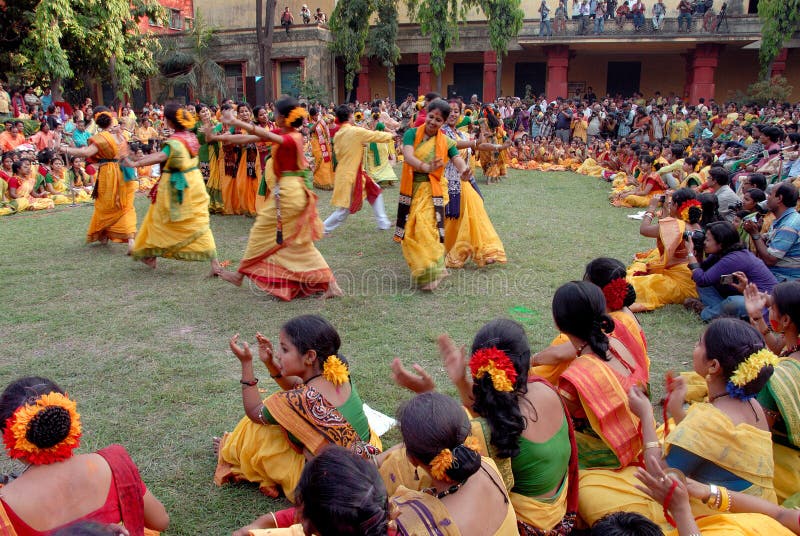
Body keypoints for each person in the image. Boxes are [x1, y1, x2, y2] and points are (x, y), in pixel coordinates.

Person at [389, 318, 580, 534]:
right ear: (527, 362)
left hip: (528, 526)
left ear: (478, 372)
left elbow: (438, 435)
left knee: (426, 460)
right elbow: (492, 408)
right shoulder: (546, 389)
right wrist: (460, 381)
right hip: (561, 513)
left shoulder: (487, 431)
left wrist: (429, 394)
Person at [585, 318, 779, 527]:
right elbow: (706, 445)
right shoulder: (752, 404)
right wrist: (677, 409)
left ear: (713, 365)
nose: (694, 348)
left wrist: (646, 417)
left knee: (588, 487)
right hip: (759, 507)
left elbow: (660, 478)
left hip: (719, 517)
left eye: (698, 343)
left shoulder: (708, 419)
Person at [214, 315, 382, 501]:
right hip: (366, 457)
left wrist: (246, 363)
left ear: (310, 356)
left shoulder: (296, 401)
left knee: (257, 428)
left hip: (331, 484)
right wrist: (270, 362)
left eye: (284, 349)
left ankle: (232, 450)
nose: (278, 354)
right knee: (280, 409)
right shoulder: (337, 370)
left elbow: (255, 412)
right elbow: (299, 387)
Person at [208, 97, 342, 300]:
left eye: (277, 114)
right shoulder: (285, 133)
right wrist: (217, 138)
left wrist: (236, 122)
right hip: (290, 193)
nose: (273, 117)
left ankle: (239, 275)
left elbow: (259, 133)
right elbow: (249, 139)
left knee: (262, 232)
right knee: (295, 242)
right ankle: (330, 285)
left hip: (290, 194)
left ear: (285, 117)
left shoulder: (292, 138)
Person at [0, 376, 169, 534]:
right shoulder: (112, 464)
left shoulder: (5, 505)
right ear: (69, 419)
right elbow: (160, 521)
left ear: (9, 438)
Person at [122, 103, 220, 273]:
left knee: (158, 220)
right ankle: (214, 264)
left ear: (169, 121)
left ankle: (148, 254)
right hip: (194, 182)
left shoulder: (175, 141)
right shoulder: (190, 136)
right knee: (198, 221)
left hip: (176, 185)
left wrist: (134, 162)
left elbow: (161, 156)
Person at [395, 99, 472, 291]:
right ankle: (435, 268)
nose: (432, 122)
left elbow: (455, 157)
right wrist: (426, 167)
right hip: (412, 189)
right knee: (410, 231)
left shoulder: (444, 140)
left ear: (443, 123)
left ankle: (430, 273)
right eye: (431, 117)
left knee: (425, 228)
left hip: (434, 190)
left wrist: (464, 170)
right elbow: (408, 156)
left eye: (438, 120)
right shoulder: (412, 133)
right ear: (426, 115)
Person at [744, 280, 800, 503]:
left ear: (785, 320)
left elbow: (756, 436)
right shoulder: (794, 347)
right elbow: (781, 349)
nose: (769, 311)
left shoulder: (778, 379)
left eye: (772, 308)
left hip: (787, 469)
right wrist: (757, 318)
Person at [61, 107, 137, 254]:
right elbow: (126, 154)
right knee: (125, 205)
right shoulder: (121, 137)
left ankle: (103, 233)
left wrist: (65, 149)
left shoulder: (101, 138)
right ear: (111, 119)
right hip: (124, 171)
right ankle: (130, 240)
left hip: (108, 172)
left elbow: (85, 152)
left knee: (105, 205)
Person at [441, 100, 506, 268]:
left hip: (465, 180)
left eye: (457, 111)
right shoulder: (441, 132)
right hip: (449, 181)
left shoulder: (462, 134)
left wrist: (492, 140)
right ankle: (451, 249)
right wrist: (473, 142)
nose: (453, 114)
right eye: (450, 111)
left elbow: (480, 144)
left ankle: (485, 250)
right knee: (454, 219)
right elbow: (451, 145)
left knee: (475, 210)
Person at [323, 105, 395, 234]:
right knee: (344, 210)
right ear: (350, 116)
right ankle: (322, 229)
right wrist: (391, 135)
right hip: (351, 175)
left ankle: (383, 222)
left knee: (375, 191)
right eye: (353, 115)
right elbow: (374, 136)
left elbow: (343, 151)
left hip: (349, 172)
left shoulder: (339, 134)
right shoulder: (354, 131)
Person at [684, 220, 777, 321]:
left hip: (764, 306)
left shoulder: (735, 258)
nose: (704, 243)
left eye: (707, 240)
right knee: (705, 286)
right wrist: (698, 252)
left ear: (721, 243)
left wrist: (690, 253)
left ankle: (706, 313)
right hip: (742, 295)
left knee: (733, 301)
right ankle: (722, 313)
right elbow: (701, 274)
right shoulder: (722, 253)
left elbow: (702, 278)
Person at [627, 188, 701, 311]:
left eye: (672, 203)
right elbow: (665, 228)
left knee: (633, 286)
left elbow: (644, 230)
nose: (670, 205)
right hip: (691, 281)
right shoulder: (696, 224)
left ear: (676, 205)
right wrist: (666, 207)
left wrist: (651, 208)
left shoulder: (675, 225)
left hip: (676, 281)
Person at [744, 181, 800, 281]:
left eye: (770, 194)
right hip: (776, 274)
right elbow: (766, 241)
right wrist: (757, 231)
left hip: (783, 279)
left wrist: (755, 234)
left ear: (779, 198)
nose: (767, 198)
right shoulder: (783, 220)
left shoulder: (789, 225)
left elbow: (770, 259)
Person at [308, 107, 334, 190]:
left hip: (324, 143)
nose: (317, 116)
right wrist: (317, 122)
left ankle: (328, 181)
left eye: (317, 114)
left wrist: (330, 118)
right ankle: (320, 181)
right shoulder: (311, 122)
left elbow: (331, 121)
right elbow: (310, 130)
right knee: (321, 160)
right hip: (316, 144)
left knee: (327, 160)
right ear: (312, 116)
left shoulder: (322, 120)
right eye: (315, 115)